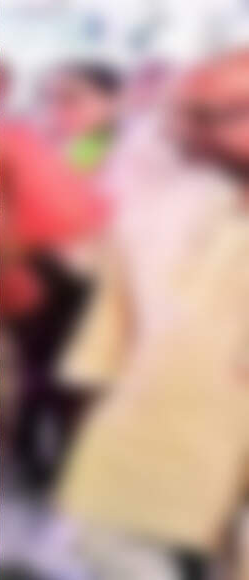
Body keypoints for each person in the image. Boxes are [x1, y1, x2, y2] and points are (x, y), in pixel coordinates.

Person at [56, 50, 248, 580]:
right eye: (197, 115)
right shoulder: (165, 199)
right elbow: (111, 321)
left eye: (229, 113)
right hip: (140, 469)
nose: (204, 133)